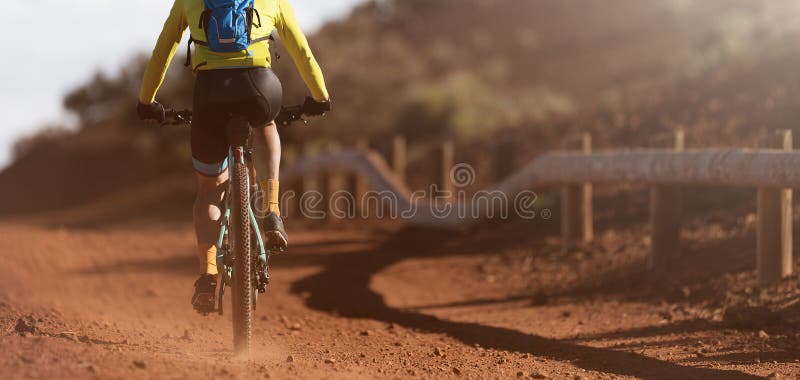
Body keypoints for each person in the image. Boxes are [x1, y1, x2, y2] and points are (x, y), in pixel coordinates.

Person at [136, 0, 330, 314]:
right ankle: (271, 211)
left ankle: (208, 275)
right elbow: (300, 48)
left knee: (209, 190)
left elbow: (163, 50)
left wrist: (147, 101)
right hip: (259, 87)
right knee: (267, 123)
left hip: (209, 95)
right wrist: (320, 96)